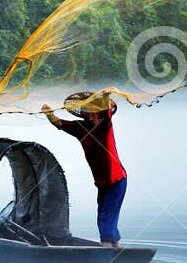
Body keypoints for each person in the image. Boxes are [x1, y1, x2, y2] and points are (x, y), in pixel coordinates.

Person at [42, 92, 127, 247]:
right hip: (102, 183)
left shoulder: (105, 124)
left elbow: (107, 107)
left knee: (105, 219)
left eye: (92, 109)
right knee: (104, 216)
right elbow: (59, 123)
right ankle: (117, 250)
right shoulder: (79, 127)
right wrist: (49, 113)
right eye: (86, 109)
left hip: (116, 180)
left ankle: (106, 254)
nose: (89, 112)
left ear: (98, 111)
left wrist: (105, 94)